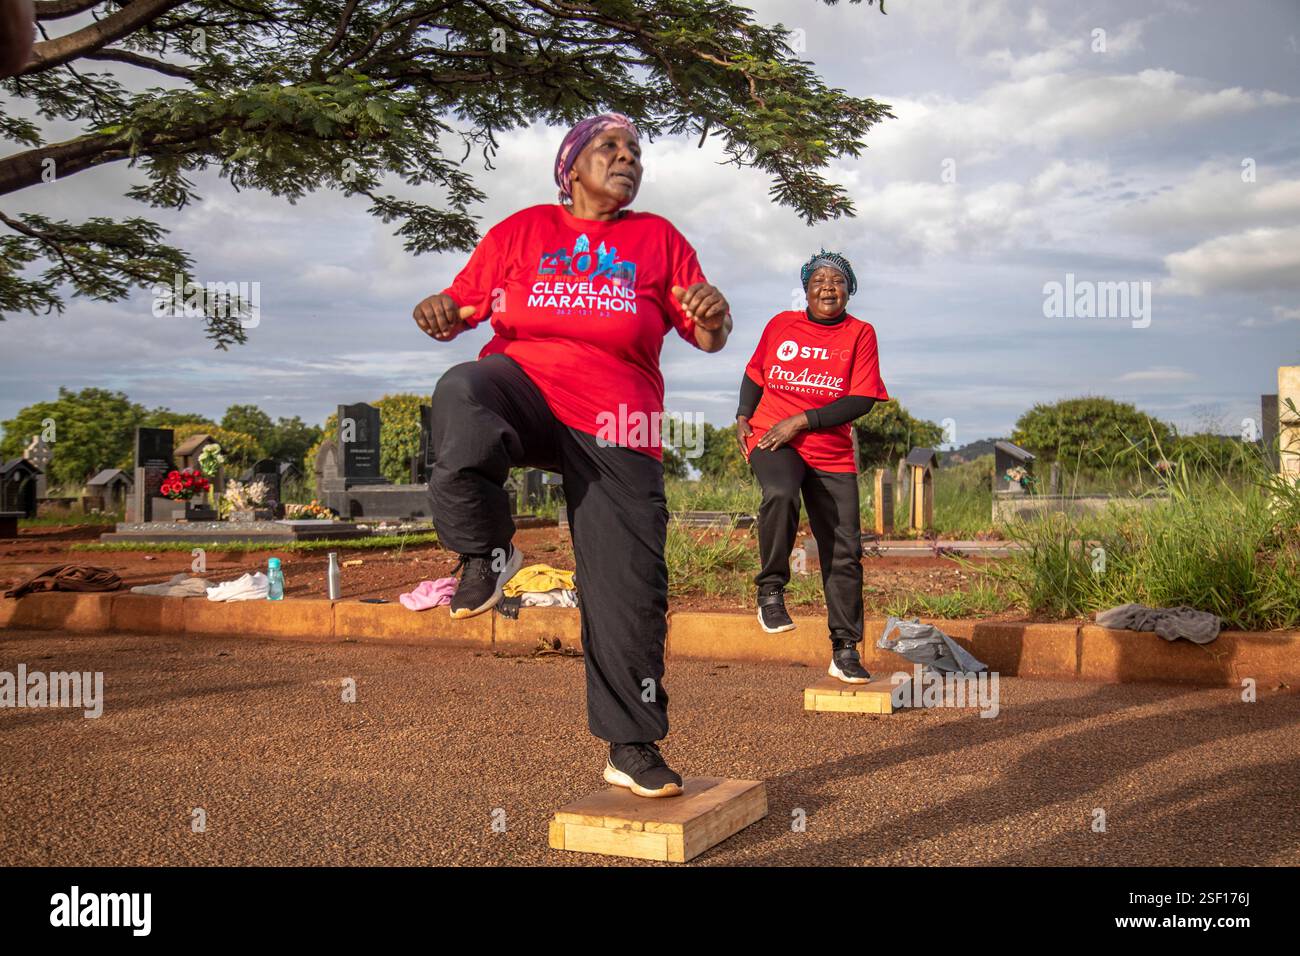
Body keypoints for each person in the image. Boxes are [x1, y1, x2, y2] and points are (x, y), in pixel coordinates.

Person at [412, 113, 731, 798]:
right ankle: (484, 553)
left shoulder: (658, 239)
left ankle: (631, 745)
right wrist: (438, 307)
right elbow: (459, 307)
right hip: (526, 390)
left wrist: (713, 312)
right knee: (464, 390)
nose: (627, 158)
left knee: (628, 586)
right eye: (609, 147)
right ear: (571, 167)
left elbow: (709, 335)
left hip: (619, 419)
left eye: (635, 151)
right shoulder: (520, 232)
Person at [735, 250, 888, 683]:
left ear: (848, 292)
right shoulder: (781, 324)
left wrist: (801, 420)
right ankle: (770, 591)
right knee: (781, 493)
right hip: (771, 438)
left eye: (838, 281)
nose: (828, 287)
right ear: (805, 289)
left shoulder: (861, 333)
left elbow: (861, 400)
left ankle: (844, 649)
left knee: (844, 551)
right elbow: (755, 372)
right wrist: (743, 415)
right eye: (819, 279)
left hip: (830, 452)